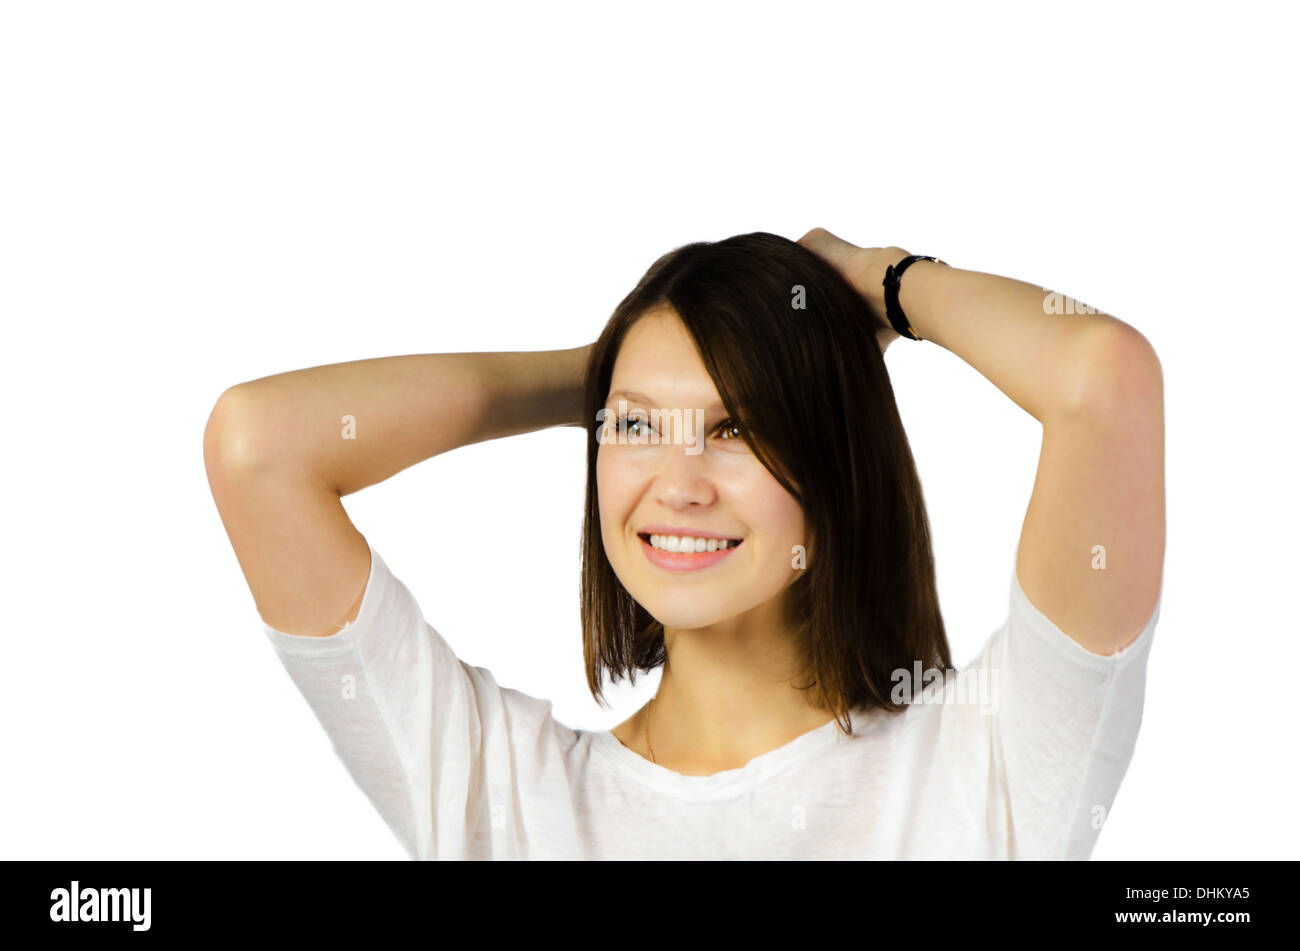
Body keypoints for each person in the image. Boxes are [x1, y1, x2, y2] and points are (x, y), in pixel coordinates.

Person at [203, 228, 1164, 859]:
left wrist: (884, 285)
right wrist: (599, 375)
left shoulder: (983, 767)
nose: (679, 480)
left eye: (737, 428)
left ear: (836, 466)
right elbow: (259, 447)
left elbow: (1102, 376)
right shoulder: (499, 790)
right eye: (635, 430)